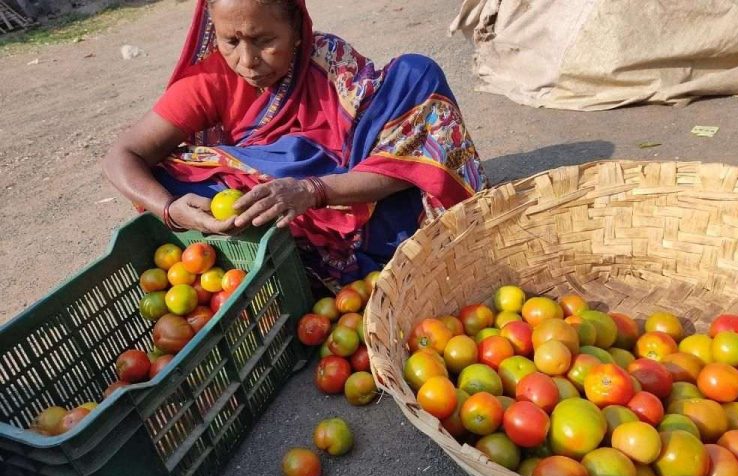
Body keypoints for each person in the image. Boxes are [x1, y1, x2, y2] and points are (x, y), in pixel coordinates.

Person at [103, 0, 487, 286]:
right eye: (230, 40)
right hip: (284, 217)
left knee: (417, 75)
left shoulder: (329, 60)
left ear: (299, 30)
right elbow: (123, 156)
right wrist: (171, 210)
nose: (247, 59)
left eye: (264, 40)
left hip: (356, 195)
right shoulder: (210, 82)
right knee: (166, 174)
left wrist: (311, 189)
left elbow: (404, 149)